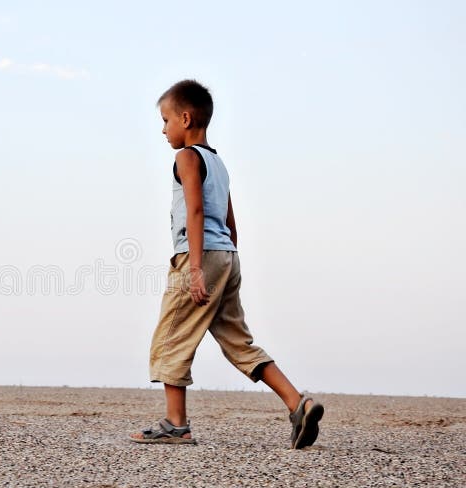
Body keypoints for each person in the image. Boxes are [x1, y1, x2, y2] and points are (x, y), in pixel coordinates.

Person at [129, 79, 324, 449]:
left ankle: (176, 424)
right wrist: (227, 265)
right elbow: (229, 220)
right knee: (239, 342)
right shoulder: (218, 163)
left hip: (198, 256)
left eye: (166, 120)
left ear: (185, 118)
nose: (163, 129)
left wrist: (197, 269)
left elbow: (196, 211)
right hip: (228, 257)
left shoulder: (185, 157)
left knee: (171, 335)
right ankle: (299, 403)